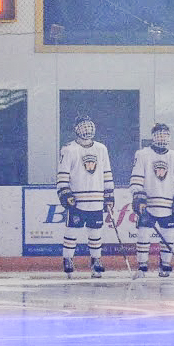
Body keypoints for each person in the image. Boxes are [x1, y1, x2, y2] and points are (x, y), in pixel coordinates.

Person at [56, 115, 115, 278]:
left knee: (95, 232)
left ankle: (96, 260)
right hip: (77, 200)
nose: (87, 129)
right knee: (71, 231)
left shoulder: (101, 149)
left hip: (96, 199)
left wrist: (109, 196)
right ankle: (68, 259)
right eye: (83, 126)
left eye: (89, 125)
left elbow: (107, 173)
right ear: (76, 129)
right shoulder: (68, 149)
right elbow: (62, 175)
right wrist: (65, 192)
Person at [132, 123, 174, 278]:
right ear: (153, 137)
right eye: (158, 134)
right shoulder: (142, 154)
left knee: (169, 237)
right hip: (148, 204)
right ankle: (142, 265)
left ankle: (165, 263)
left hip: (168, 204)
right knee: (143, 235)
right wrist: (138, 197)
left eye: (165, 134)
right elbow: (136, 179)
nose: (162, 137)